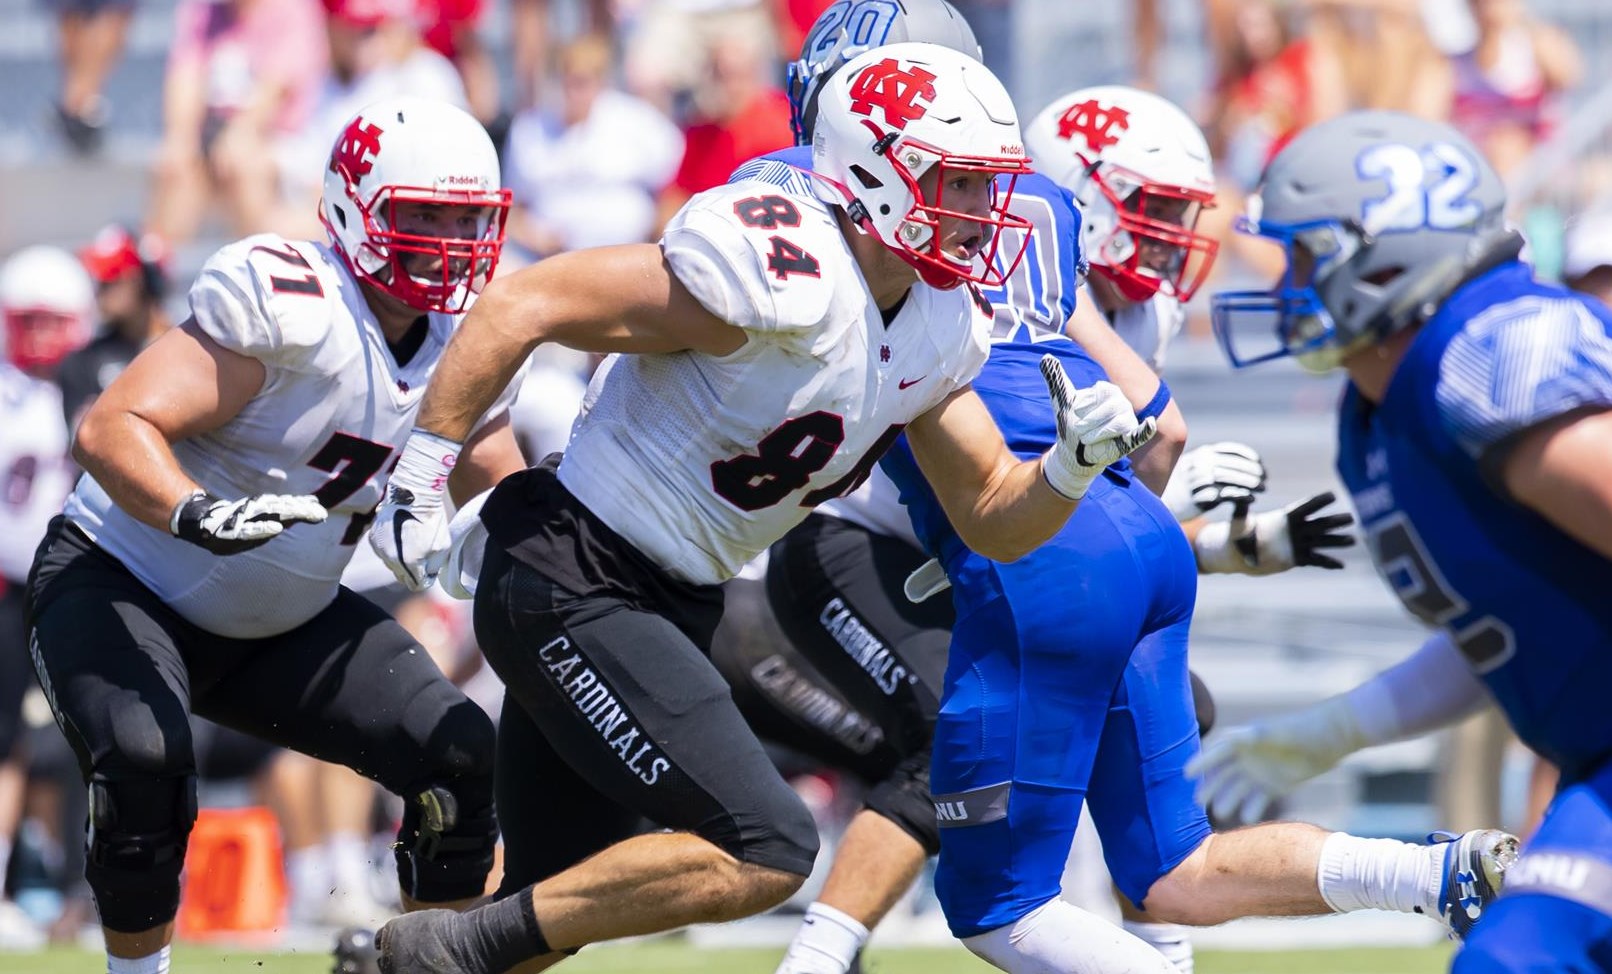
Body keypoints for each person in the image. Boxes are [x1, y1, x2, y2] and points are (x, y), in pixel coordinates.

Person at [365, 40, 1160, 974]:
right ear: (876, 175)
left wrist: (1068, 468)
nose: (985, 216)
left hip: (665, 596)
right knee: (765, 845)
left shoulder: (943, 321)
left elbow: (990, 509)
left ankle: (432, 955)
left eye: (989, 188)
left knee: (553, 906)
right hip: (575, 568)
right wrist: (421, 471)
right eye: (960, 185)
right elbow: (520, 303)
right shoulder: (781, 268)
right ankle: (439, 949)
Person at [724, 9, 1353, 970]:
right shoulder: (934, 246)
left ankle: (1150, 946)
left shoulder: (1080, 290)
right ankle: (823, 953)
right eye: (1154, 209)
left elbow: (1077, 529)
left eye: (1183, 215)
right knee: (957, 721)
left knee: (1141, 710)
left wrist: (1233, 543)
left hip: (988, 543)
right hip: (868, 539)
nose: (1173, 241)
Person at [24, 95, 525, 974]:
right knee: (146, 762)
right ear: (353, 207)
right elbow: (111, 427)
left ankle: (429, 964)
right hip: (124, 582)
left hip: (282, 618)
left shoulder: (468, 337)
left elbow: (504, 477)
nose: (448, 239)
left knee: (458, 755)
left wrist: (528, 541)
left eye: (465, 218)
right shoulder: (291, 298)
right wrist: (196, 509)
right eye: (423, 215)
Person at [1203, 108, 1612, 973]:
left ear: (1384, 252)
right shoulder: (1385, 410)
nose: (1285, 286)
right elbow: (1514, 620)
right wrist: (1335, 727)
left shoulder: (1489, 353)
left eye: (1306, 256)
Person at [0, 245, 95, 950]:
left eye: (50, 320)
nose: (38, 335)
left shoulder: (97, 384)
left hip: (75, 584)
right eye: (25, 320)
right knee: (5, 744)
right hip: (8, 588)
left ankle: (82, 894)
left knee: (87, 739)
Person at [57, 224, 173, 430]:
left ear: (145, 280)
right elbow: (83, 437)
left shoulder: (185, 350)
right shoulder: (81, 363)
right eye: (99, 280)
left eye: (112, 277)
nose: (100, 289)